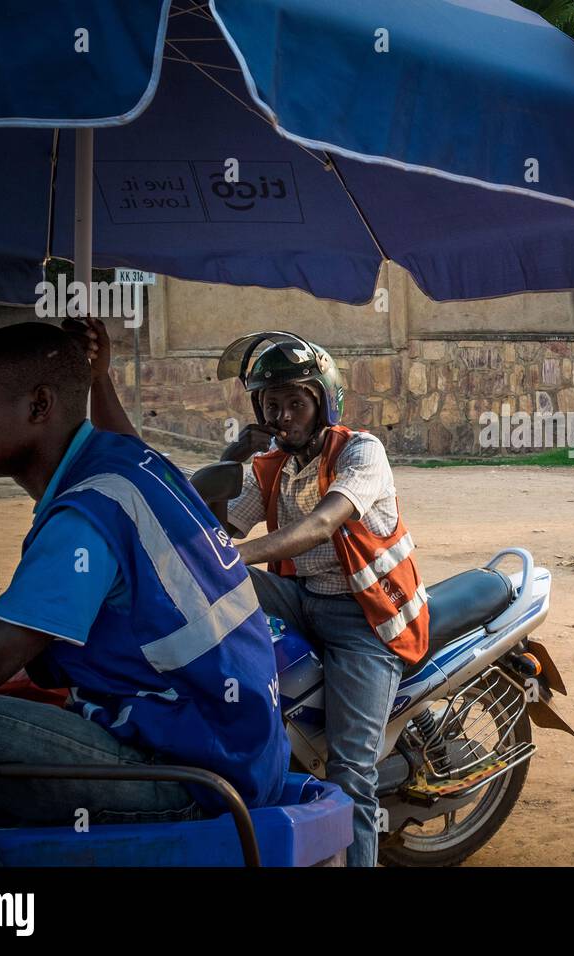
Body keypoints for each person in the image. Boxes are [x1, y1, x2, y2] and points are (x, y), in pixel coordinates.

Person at [0, 321, 288, 866]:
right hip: (232, 749)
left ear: (39, 406)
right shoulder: (127, 465)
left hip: (184, 775)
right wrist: (97, 376)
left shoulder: (86, 515)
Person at [218, 331, 429, 868]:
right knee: (207, 582)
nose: (284, 415)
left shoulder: (361, 451)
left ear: (323, 402)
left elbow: (322, 523)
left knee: (351, 768)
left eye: (296, 402)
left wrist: (232, 557)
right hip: (302, 599)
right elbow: (211, 523)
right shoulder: (271, 464)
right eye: (273, 405)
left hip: (369, 618)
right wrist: (233, 456)